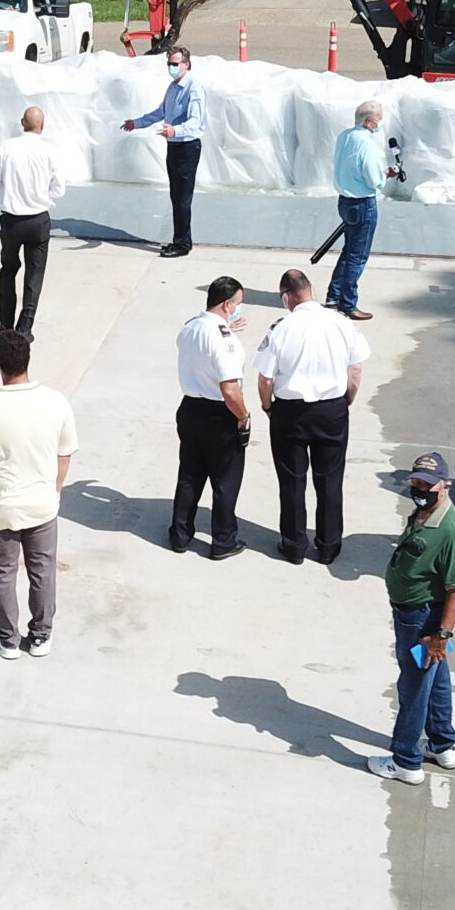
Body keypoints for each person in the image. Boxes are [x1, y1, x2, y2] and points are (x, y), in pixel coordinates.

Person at [0, 328, 79, 659]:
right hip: (42, 505)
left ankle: (6, 638)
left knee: (1, 573)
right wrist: (55, 488)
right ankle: (40, 636)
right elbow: (65, 453)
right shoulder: (56, 402)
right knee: (42, 570)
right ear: (28, 359)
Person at [368, 452, 455, 787]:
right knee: (436, 678)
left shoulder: (452, 532)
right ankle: (442, 744)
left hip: (423, 622)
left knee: (413, 688)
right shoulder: (425, 513)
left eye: (427, 483)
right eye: (415, 481)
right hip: (418, 618)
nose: (419, 487)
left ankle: (405, 760)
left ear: (446, 486)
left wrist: (441, 635)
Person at [255, 268, 368, 565]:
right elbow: (356, 369)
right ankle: (329, 546)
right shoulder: (341, 322)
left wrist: (268, 407)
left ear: (286, 297)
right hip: (332, 409)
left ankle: (293, 547)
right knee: (330, 480)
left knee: (292, 482)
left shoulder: (281, 327)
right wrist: (346, 401)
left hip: (290, 413)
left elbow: (265, 379)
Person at [170, 275, 252, 558]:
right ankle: (223, 541)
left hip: (190, 409)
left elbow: (202, 352)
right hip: (219, 415)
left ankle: (180, 535)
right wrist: (243, 416)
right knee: (225, 481)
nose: (239, 309)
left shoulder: (190, 327)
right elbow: (229, 389)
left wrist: (225, 327)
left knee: (190, 475)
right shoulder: (223, 338)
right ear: (228, 304)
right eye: (238, 304)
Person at [0, 106, 65, 336]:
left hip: (11, 221)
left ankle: (5, 324)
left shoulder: (6, 147)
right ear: (43, 125)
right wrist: (41, 196)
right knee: (34, 275)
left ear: (22, 122)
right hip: (38, 220)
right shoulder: (50, 151)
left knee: (8, 270)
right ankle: (25, 329)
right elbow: (59, 190)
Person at [123, 46, 207, 257]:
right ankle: (178, 239)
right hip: (174, 145)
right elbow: (162, 112)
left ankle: (182, 244)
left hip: (187, 147)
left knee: (182, 198)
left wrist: (174, 130)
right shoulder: (173, 87)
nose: (171, 67)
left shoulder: (193, 88)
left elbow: (196, 121)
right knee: (175, 195)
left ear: (186, 64)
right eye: (169, 63)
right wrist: (137, 123)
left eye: (175, 64)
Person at [327, 100, 392, 320]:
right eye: (378, 120)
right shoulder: (366, 143)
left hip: (345, 200)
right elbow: (374, 179)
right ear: (369, 121)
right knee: (358, 256)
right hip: (363, 203)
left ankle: (333, 296)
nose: (379, 124)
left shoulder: (345, 136)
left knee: (348, 251)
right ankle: (348, 304)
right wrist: (386, 175)